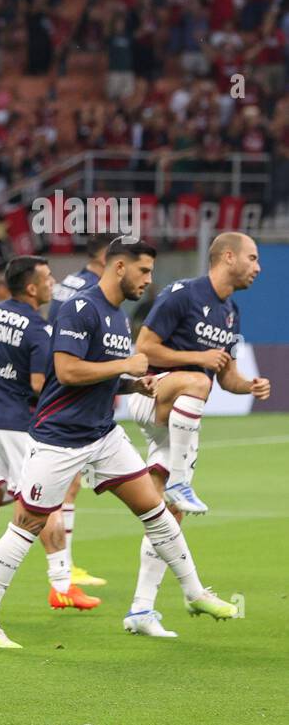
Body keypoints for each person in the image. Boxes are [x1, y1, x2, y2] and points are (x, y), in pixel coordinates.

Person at [0, 239, 239, 650]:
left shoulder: (114, 316)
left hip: (103, 434)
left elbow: (102, 374)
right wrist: (125, 365)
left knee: (157, 511)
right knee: (27, 526)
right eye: (144, 272)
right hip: (59, 439)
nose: (149, 280)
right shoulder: (82, 308)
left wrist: (133, 383)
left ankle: (194, 593)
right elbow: (68, 370)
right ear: (120, 267)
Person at [121, 231, 270, 636]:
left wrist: (249, 385)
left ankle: (141, 609)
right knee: (196, 383)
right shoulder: (181, 294)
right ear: (227, 257)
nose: (258, 267)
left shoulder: (231, 312)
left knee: (165, 517)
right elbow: (143, 350)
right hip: (150, 395)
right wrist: (197, 359)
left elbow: (227, 377)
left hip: (178, 415)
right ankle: (181, 482)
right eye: (252, 258)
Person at [0, 256, 99, 615]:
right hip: (18, 428)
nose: (54, 283)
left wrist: (1, 368)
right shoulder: (38, 329)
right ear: (33, 287)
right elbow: (39, 385)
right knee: (45, 502)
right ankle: (61, 585)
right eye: (48, 278)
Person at [44, 232, 116, 588]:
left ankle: (64, 565)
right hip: (68, 392)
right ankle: (63, 567)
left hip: (55, 382)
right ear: (106, 257)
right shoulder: (91, 291)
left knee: (66, 485)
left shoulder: (70, 282)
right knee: (66, 485)